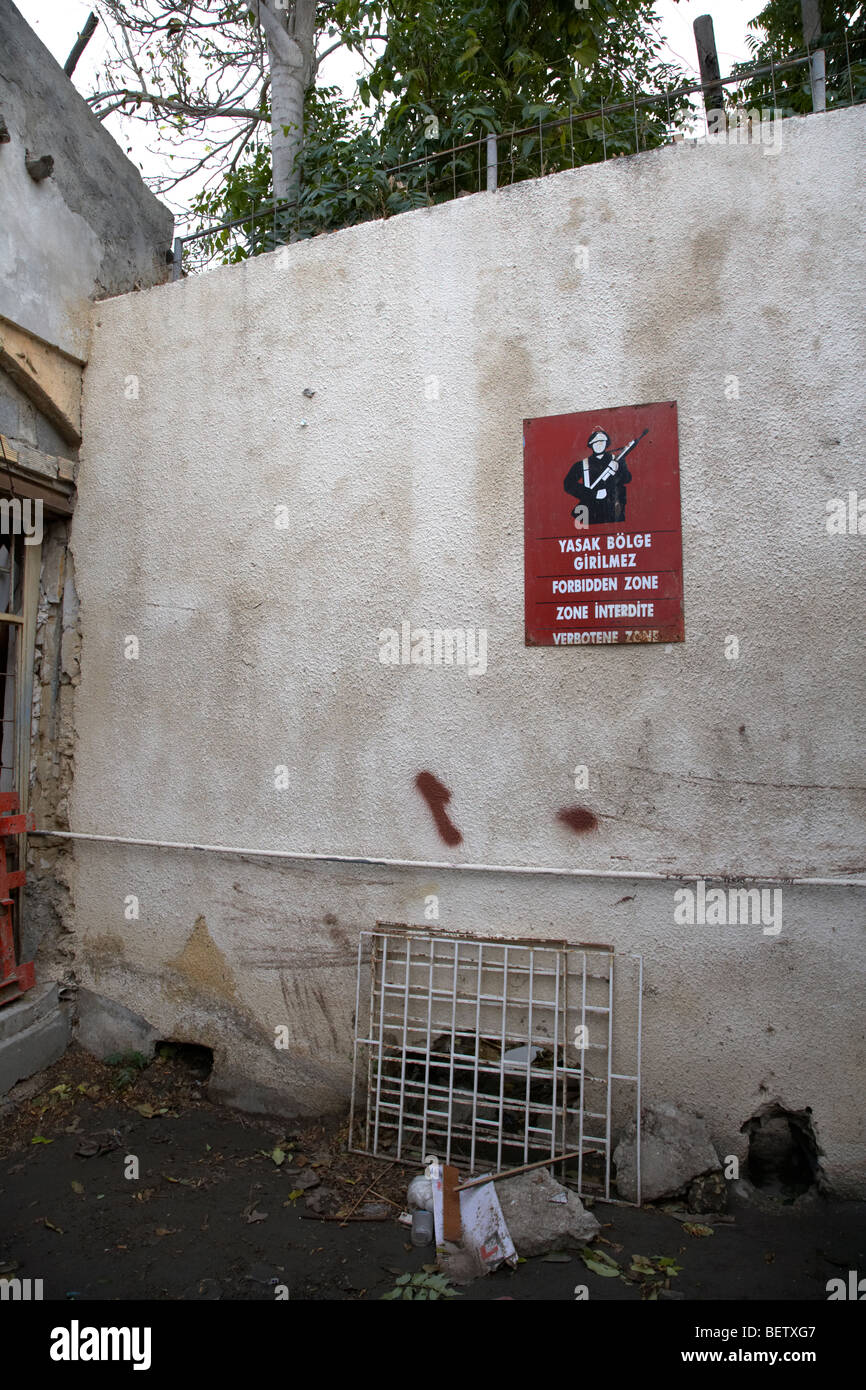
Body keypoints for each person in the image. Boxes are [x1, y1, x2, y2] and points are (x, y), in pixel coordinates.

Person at [563, 427, 634, 525]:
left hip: (613, 510)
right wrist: (593, 494)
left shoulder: (617, 460)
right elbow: (568, 485)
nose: (599, 444)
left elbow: (627, 479)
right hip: (591, 510)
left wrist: (618, 469)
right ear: (591, 445)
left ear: (606, 443)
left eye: (602, 441)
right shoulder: (581, 465)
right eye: (595, 442)